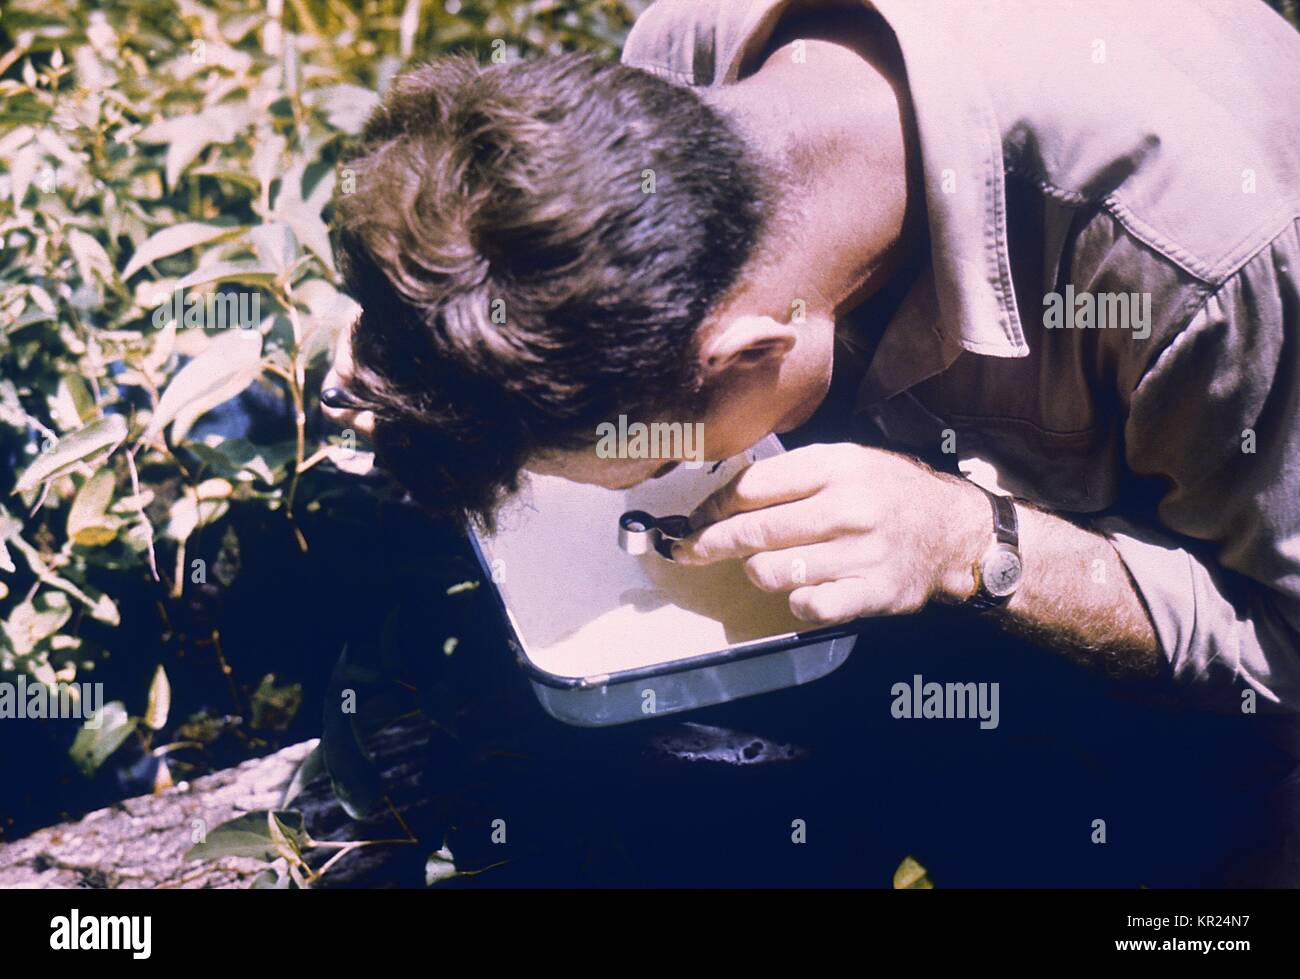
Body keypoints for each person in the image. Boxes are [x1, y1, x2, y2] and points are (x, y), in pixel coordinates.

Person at [322, 0, 1300, 883]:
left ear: (750, 350)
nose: (666, 483)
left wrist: (975, 545)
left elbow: (1284, 644)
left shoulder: (1200, 259)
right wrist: (415, 346)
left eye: (663, 457)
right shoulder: (680, 57)